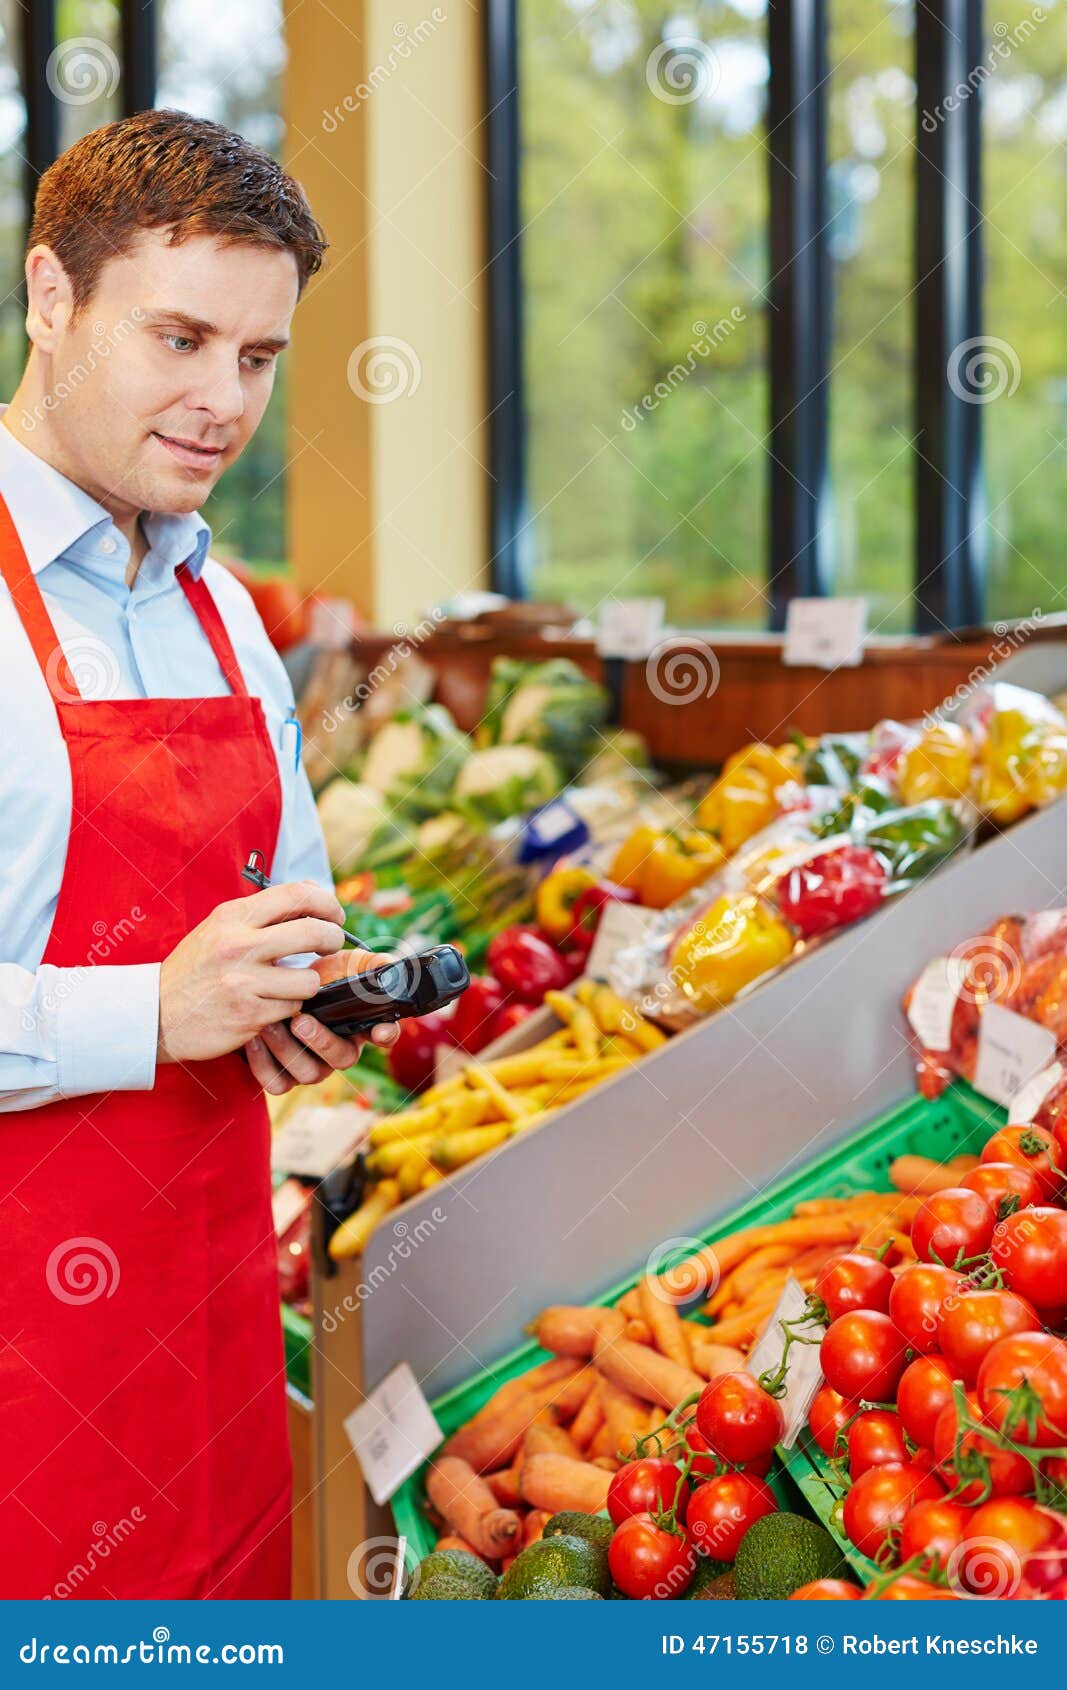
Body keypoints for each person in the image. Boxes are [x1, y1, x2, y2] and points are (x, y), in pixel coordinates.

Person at [0, 108, 392, 1599]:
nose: (224, 398)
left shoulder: (221, 607)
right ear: (52, 297)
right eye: (178, 338)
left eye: (258, 357)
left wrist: (306, 986)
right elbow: (154, 995)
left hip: (214, 1350)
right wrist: (149, 1013)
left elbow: (284, 896)